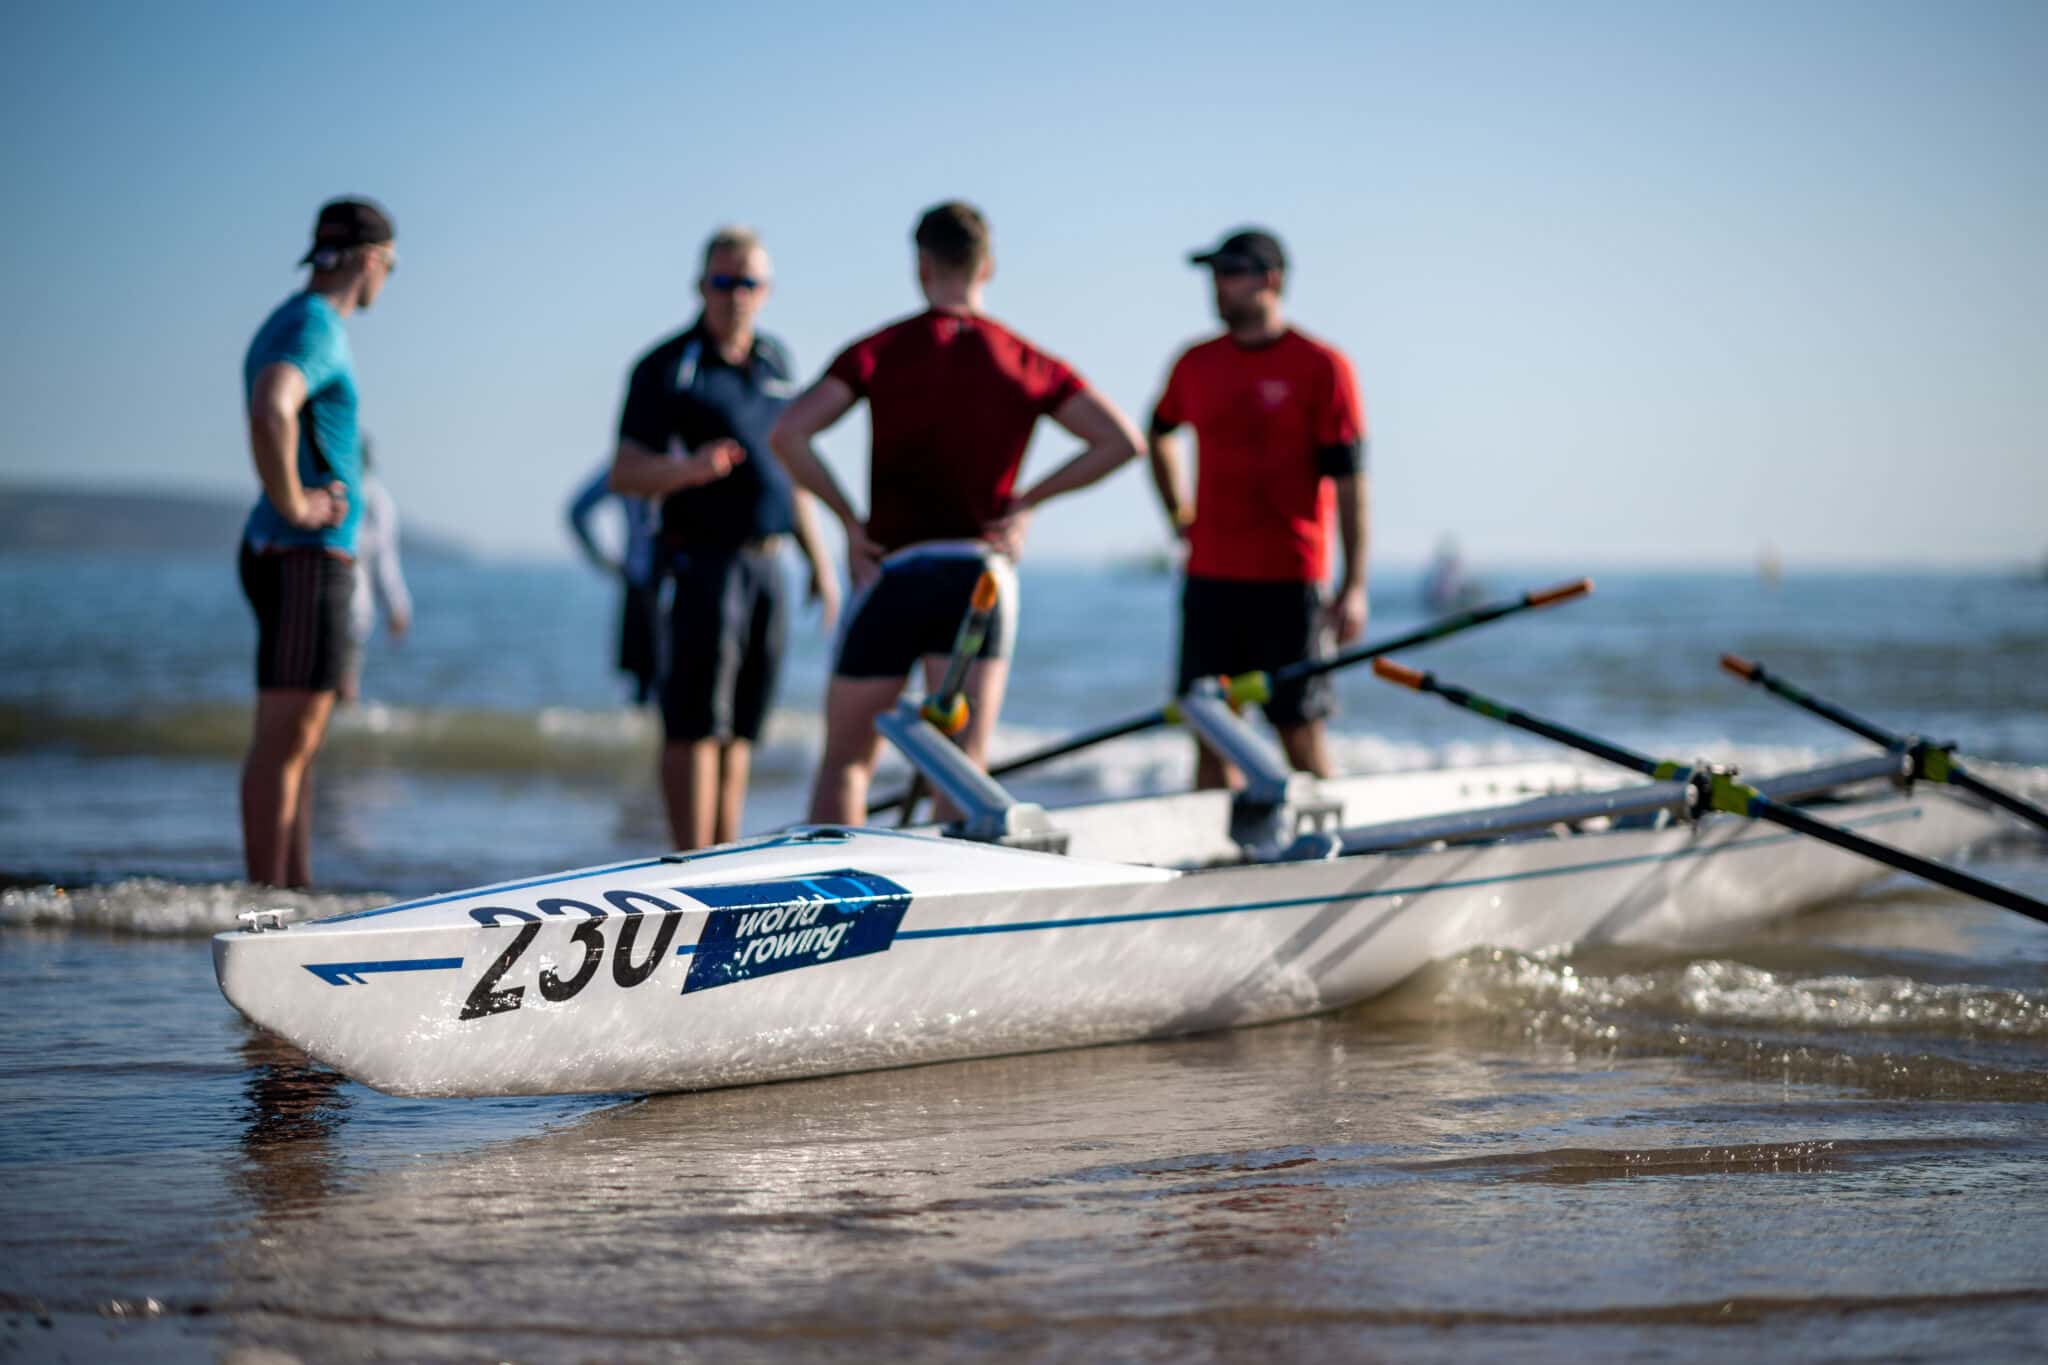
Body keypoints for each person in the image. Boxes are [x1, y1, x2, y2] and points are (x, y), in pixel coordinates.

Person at [770, 200, 1144, 825]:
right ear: (987, 267)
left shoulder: (882, 349)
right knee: (960, 767)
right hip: (979, 579)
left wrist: (847, 520)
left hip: (891, 573)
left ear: (922, 266)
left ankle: (835, 903)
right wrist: (1028, 502)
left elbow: (789, 433)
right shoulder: (1025, 360)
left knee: (845, 763)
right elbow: (1120, 442)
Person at [608, 225, 838, 850]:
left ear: (766, 291)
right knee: (694, 723)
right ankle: (691, 860)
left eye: (748, 282)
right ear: (700, 286)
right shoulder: (668, 368)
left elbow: (788, 468)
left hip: (769, 562)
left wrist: (820, 561)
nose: (736, 295)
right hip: (698, 560)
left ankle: (726, 856)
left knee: (742, 726)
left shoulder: (775, 363)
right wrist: (688, 470)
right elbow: (624, 472)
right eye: (723, 281)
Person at [1147, 227, 1368, 790]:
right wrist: (1179, 515)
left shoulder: (1321, 366)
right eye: (1214, 275)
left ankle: (1333, 857)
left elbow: (1350, 483)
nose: (1217, 287)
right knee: (1213, 730)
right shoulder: (1195, 363)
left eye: (1230, 273)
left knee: (1299, 730)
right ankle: (1221, 863)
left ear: (1270, 280)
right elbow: (1160, 432)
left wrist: (1355, 585)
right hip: (1210, 578)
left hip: (1289, 581)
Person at [237, 197, 398, 886]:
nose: (387, 278)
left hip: (296, 555)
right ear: (368, 260)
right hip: (303, 557)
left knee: (297, 746)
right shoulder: (316, 326)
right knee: (285, 743)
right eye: (390, 265)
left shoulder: (291, 317)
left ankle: (290, 892)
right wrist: (294, 501)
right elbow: (272, 403)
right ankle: (266, 905)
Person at [566, 458, 661, 703]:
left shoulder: (625, 466)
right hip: (654, 583)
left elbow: (577, 512)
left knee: (652, 685)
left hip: (644, 580)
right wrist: (604, 561)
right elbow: (577, 512)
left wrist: (603, 561)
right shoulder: (682, 459)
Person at [339, 437, 413, 704]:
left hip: (319, 601)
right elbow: (383, 560)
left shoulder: (328, 489)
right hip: (350, 606)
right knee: (344, 685)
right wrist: (397, 606)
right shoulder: (376, 499)